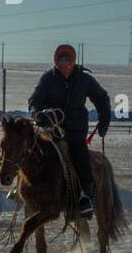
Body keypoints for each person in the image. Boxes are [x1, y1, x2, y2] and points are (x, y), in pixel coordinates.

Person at [28, 43, 110, 218]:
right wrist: (37, 114)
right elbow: (35, 99)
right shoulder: (48, 79)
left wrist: (104, 119)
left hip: (75, 132)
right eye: (60, 61)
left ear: (73, 62)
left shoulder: (85, 79)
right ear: (56, 62)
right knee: (30, 154)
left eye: (67, 61)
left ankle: (86, 200)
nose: (64, 65)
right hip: (50, 132)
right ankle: (22, 190)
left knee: (81, 160)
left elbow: (101, 98)